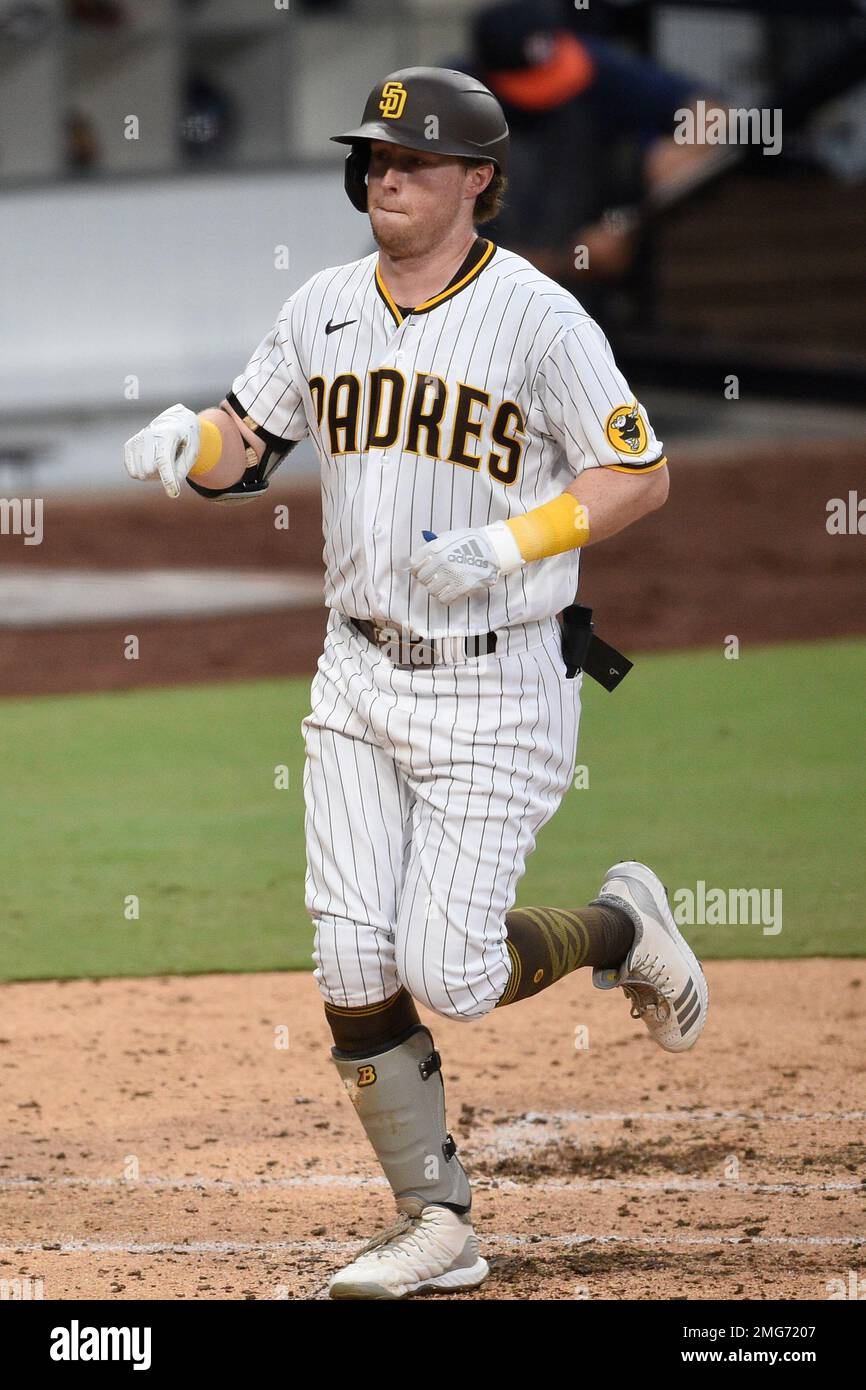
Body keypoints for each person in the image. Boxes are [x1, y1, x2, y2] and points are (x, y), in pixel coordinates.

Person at [123, 66, 708, 1300]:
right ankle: (435, 1217)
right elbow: (253, 431)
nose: (386, 175)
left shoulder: (541, 320)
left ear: (477, 183)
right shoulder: (324, 304)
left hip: (498, 688)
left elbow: (637, 474)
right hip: (355, 673)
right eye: (375, 158)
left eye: (414, 161)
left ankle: (623, 925)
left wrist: (514, 540)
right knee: (348, 959)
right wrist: (196, 443)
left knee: (448, 971)